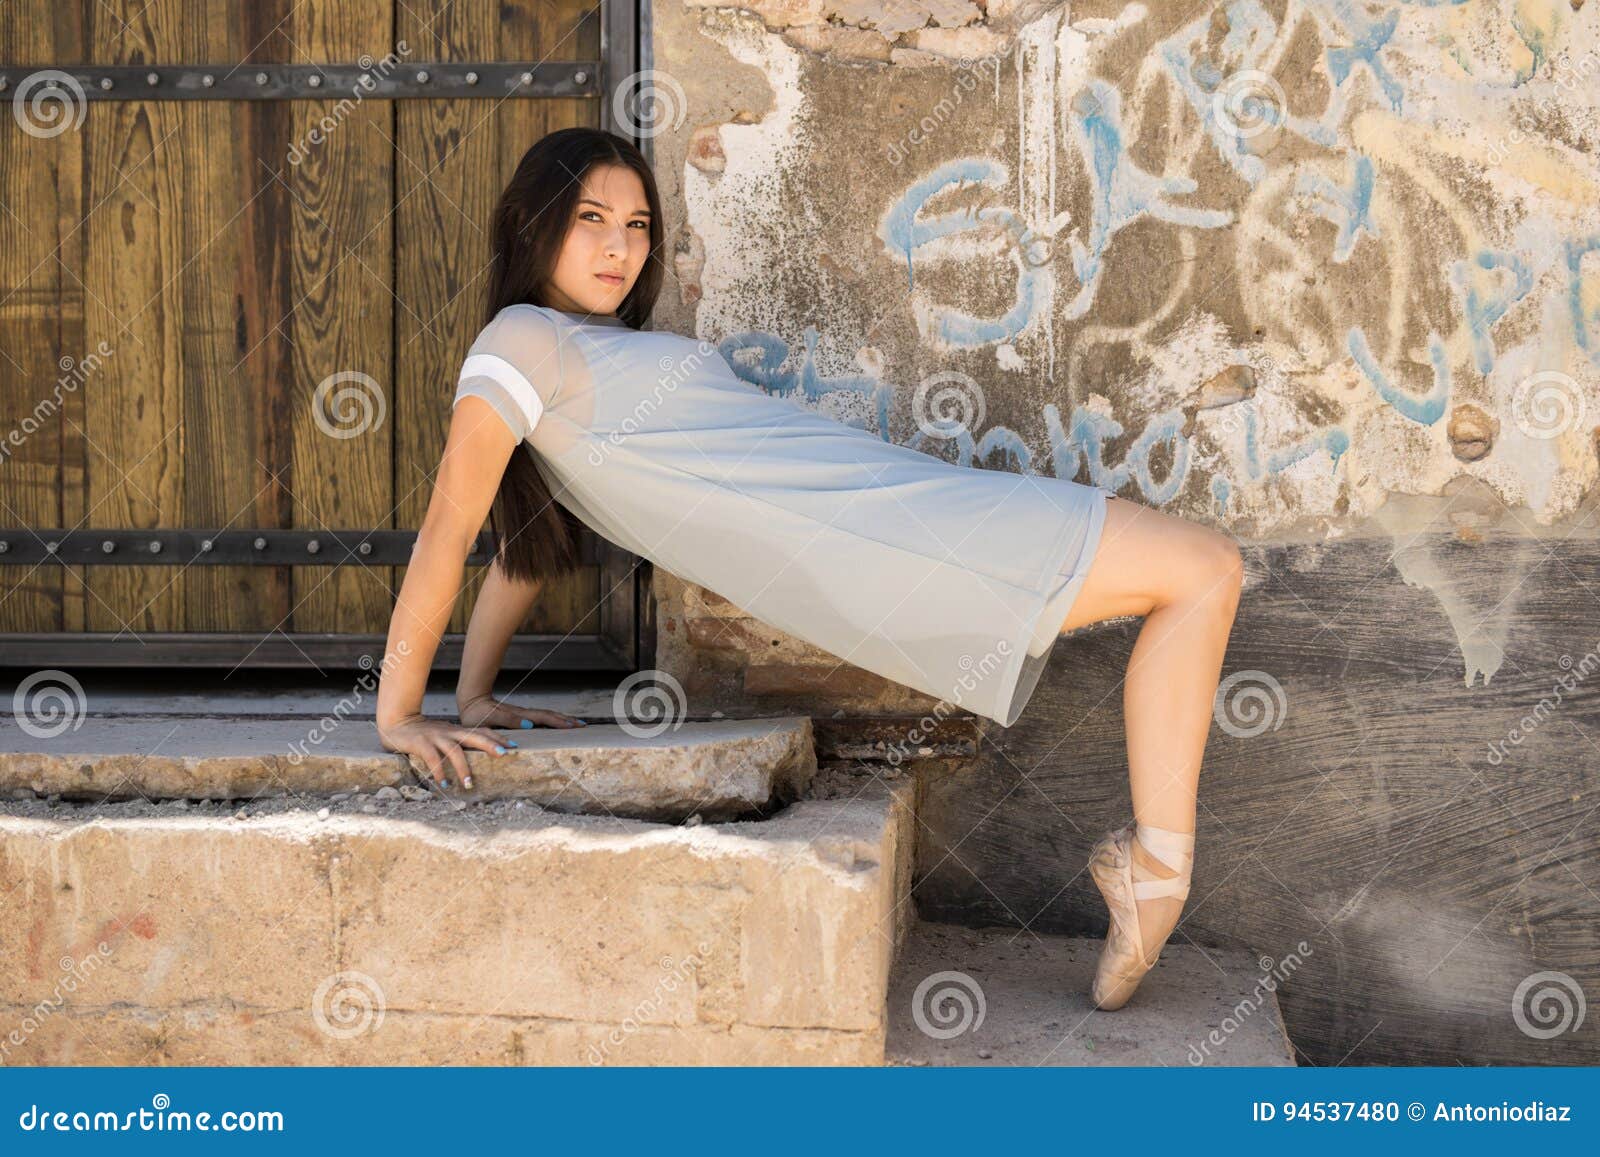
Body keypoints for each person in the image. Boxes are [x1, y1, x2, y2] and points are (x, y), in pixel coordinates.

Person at [374, 127, 1244, 1010]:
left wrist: (476, 695)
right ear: (529, 223)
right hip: (893, 534)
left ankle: (1156, 872)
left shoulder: (571, 351)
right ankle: (1158, 874)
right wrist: (400, 711)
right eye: (590, 217)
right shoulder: (519, 337)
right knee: (1206, 569)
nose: (619, 246)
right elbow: (452, 526)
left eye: (638, 225)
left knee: (1198, 574)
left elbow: (524, 546)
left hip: (897, 518)